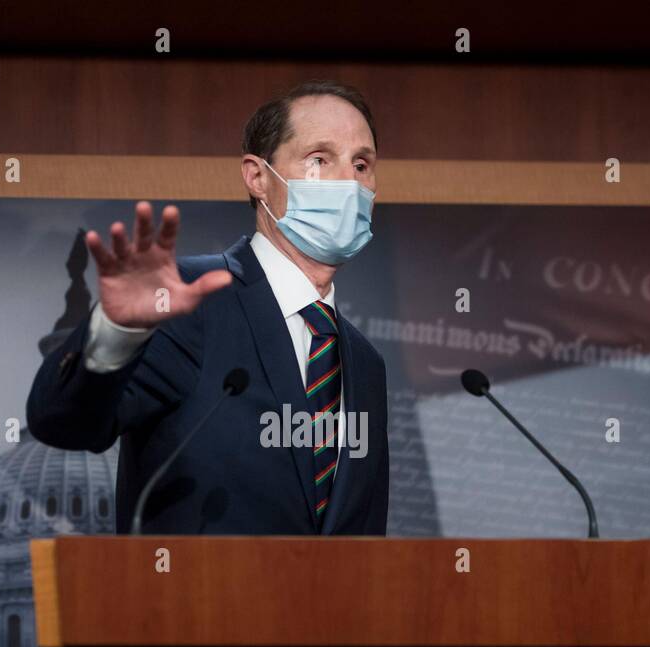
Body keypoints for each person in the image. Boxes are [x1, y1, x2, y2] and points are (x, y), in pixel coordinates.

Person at [27, 80, 389, 534]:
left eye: (361, 164)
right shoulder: (185, 302)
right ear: (258, 177)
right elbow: (65, 424)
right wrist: (117, 331)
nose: (348, 182)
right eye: (319, 159)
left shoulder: (365, 364)